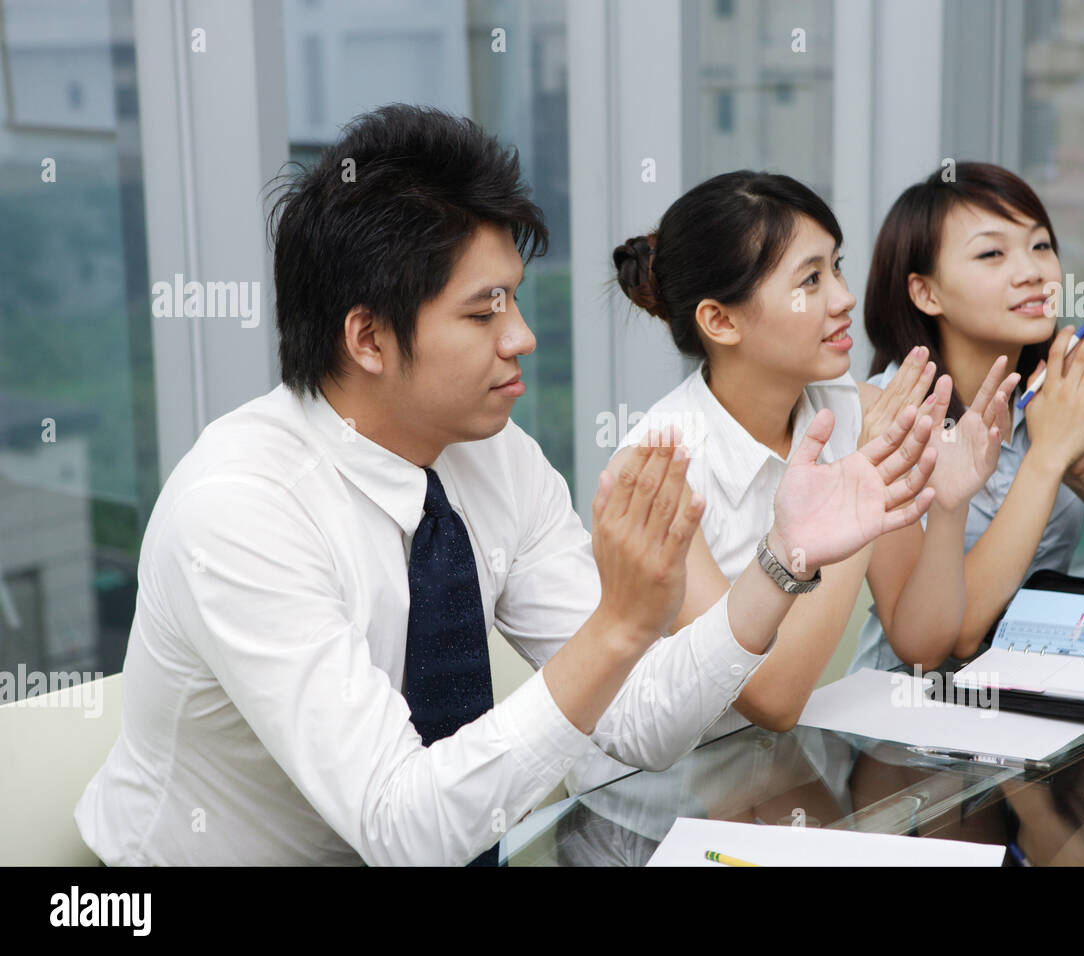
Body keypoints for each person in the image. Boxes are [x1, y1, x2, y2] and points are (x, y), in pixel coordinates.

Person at [73, 105, 933, 866]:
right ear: (368, 338)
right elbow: (402, 828)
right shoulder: (242, 507)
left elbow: (636, 725)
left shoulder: (496, 456)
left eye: (516, 301)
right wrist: (621, 626)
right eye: (484, 312)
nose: (521, 337)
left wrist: (781, 564)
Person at [564, 170, 1019, 799]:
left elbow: (920, 640)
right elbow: (771, 697)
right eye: (810, 279)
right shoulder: (655, 468)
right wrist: (860, 481)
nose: (841, 298)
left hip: (773, 781)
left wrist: (949, 504)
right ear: (720, 321)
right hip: (642, 804)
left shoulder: (849, 408)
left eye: (837, 266)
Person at [849, 161, 1084, 673]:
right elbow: (953, 638)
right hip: (907, 720)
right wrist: (1048, 457)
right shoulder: (885, 418)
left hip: (1032, 693)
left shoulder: (1051, 397)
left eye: (1040, 246)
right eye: (992, 253)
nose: (1033, 271)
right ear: (926, 293)